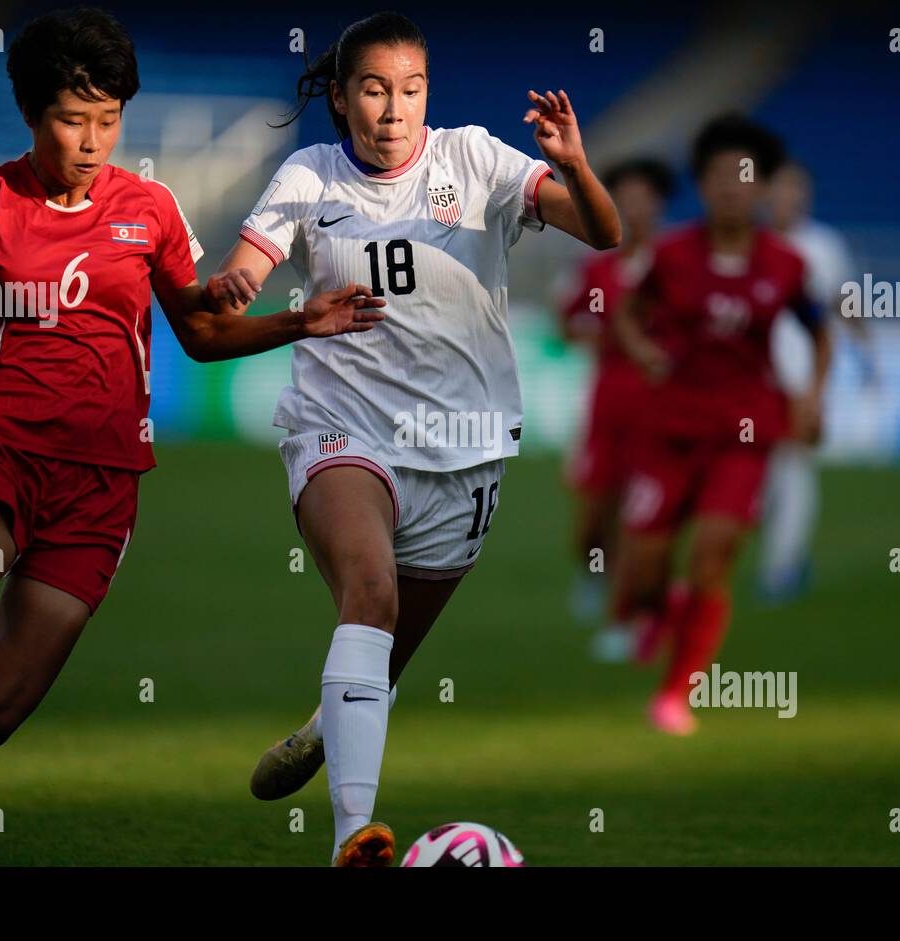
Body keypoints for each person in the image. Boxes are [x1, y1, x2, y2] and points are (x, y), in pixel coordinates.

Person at [0, 7, 379, 866]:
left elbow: (202, 334)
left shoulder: (147, 209)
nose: (92, 139)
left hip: (101, 489)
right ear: (33, 116)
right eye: (73, 120)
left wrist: (305, 320)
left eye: (108, 120)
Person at [203, 12, 619, 865]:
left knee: (378, 657)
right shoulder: (308, 176)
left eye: (412, 89)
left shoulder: (473, 159)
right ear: (342, 95)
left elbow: (605, 233)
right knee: (370, 593)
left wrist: (575, 164)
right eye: (375, 89)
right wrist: (241, 289)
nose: (395, 110)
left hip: (464, 452)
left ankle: (332, 722)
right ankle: (354, 835)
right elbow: (246, 271)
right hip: (342, 429)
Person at [610, 113, 830, 734]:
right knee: (644, 569)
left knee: (713, 554)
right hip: (669, 428)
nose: (731, 188)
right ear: (703, 185)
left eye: (744, 176)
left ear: (762, 187)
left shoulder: (786, 264)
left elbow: (819, 334)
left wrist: (811, 397)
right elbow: (628, 311)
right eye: (718, 176)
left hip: (745, 432)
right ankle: (662, 607)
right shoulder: (672, 254)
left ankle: (676, 694)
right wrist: (645, 351)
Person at [556, 157, 674, 659]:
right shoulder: (598, 266)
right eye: (623, 198)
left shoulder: (676, 261)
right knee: (594, 519)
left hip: (662, 408)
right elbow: (568, 321)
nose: (634, 208)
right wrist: (592, 332)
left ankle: (631, 617)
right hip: (607, 406)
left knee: (640, 519)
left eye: (643, 198)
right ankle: (593, 574)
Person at [760, 161, 871, 601]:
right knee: (760, 475)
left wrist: (868, 356)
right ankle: (785, 555)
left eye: (796, 191)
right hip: (754, 377)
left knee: (792, 466)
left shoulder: (823, 245)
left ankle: (782, 567)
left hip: (805, 375)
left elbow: (844, 302)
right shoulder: (753, 242)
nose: (788, 198)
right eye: (781, 190)